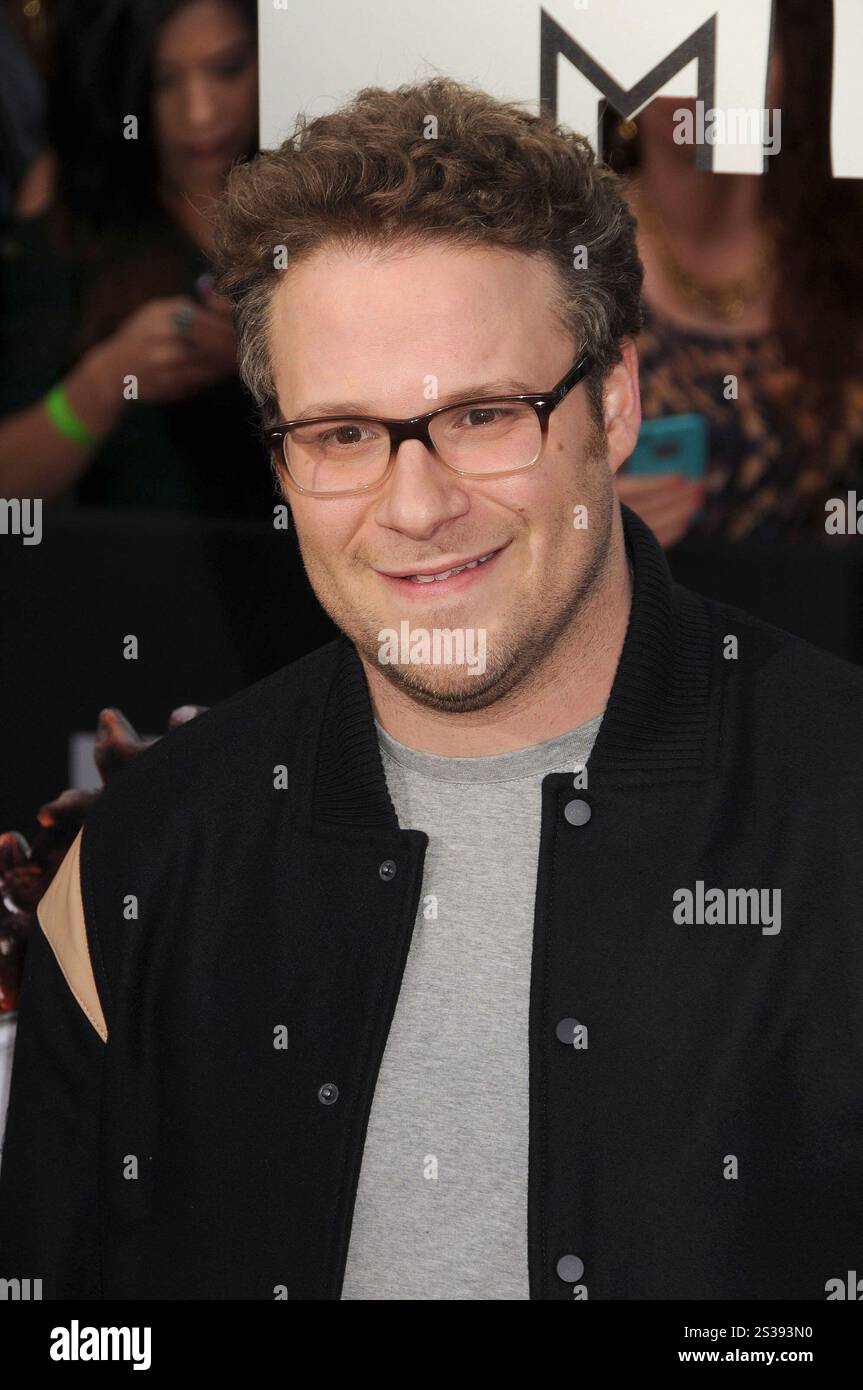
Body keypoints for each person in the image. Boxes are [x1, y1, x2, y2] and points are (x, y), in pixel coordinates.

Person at [0, 76, 861, 1301]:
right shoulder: (145, 862)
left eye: (482, 414)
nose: (415, 505)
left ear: (611, 403)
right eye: (342, 433)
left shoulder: (837, 808)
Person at [0, 0, 275, 516]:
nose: (201, 112)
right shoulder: (71, 208)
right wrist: (104, 383)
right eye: (163, 82)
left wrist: (259, 365)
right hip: (128, 573)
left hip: (301, 568)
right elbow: (8, 490)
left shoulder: (313, 187)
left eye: (228, 69)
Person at [608, 0, 863, 546]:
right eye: (684, 42)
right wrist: (587, 517)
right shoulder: (569, 253)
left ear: (792, 65)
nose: (714, 69)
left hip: (825, 617)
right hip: (654, 616)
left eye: (747, 39)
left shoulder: (840, 247)